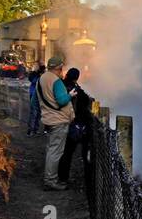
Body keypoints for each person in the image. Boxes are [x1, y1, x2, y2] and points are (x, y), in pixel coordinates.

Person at [38, 56, 74, 190]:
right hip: (59, 120)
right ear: (59, 68)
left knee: (51, 150)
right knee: (55, 152)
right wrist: (70, 95)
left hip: (48, 119)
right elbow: (61, 100)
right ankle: (51, 181)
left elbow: (34, 101)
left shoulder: (41, 79)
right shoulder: (56, 81)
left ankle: (49, 178)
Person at [56, 67, 93, 186]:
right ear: (76, 78)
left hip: (60, 122)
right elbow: (85, 102)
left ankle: (62, 177)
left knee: (64, 152)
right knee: (79, 152)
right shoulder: (76, 90)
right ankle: (88, 182)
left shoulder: (60, 86)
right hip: (75, 124)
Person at [27, 63, 45, 136]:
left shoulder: (41, 74)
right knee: (34, 112)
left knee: (38, 113)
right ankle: (30, 130)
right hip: (34, 94)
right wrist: (39, 74)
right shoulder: (34, 74)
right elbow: (33, 80)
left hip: (40, 95)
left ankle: (35, 129)